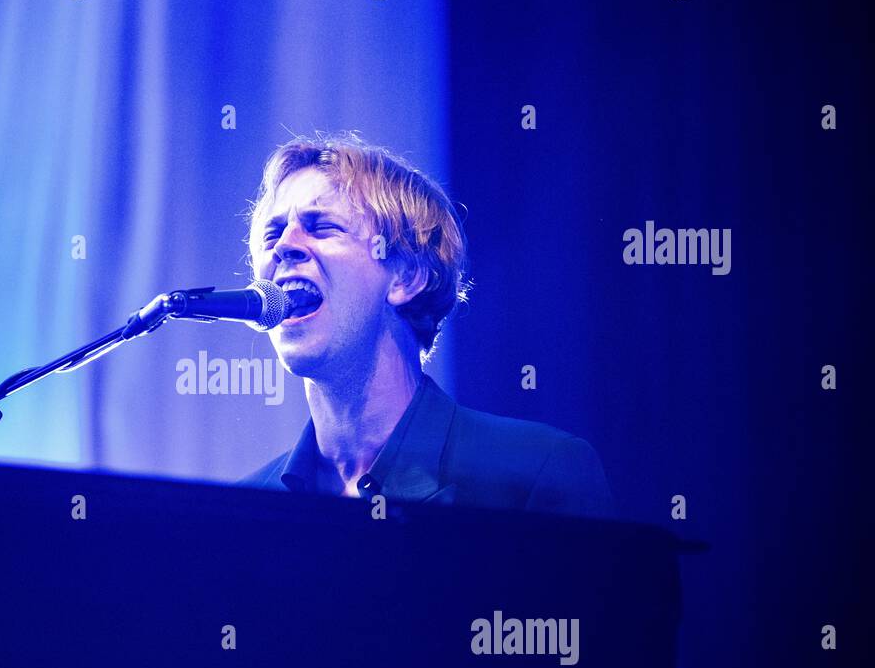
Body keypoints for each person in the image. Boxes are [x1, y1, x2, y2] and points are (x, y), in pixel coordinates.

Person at [239, 132, 615, 520]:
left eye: (321, 227)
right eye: (272, 232)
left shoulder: (537, 472)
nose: (284, 245)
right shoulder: (242, 511)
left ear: (406, 276)